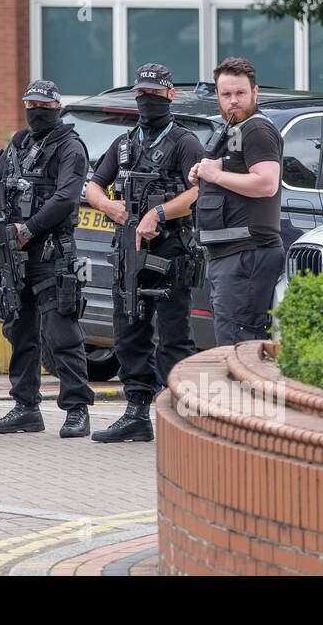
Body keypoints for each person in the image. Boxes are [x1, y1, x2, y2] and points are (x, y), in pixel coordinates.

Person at [85, 64, 205, 442]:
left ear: (171, 96)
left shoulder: (185, 142)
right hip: (128, 252)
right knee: (129, 332)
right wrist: (109, 207)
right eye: (141, 94)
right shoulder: (123, 143)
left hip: (170, 250)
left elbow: (198, 192)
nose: (146, 100)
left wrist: (158, 213)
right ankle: (136, 413)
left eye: (154, 94)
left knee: (174, 336)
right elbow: (92, 187)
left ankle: (180, 416)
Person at [0, 80, 94, 437]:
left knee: (61, 332)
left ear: (57, 108)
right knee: (18, 331)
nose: (35, 111)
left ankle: (77, 409)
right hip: (13, 254)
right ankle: (25, 407)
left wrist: (27, 230)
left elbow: (66, 199)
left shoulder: (70, 148)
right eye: (30, 104)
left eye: (42, 105)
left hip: (50, 254)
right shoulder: (17, 144)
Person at [188, 56, 285, 349]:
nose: (233, 101)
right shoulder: (234, 129)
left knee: (239, 345)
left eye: (240, 94)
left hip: (247, 254)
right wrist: (205, 176)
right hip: (232, 254)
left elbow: (266, 184)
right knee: (232, 340)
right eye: (226, 94)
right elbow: (232, 175)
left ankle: (243, 397)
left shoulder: (256, 130)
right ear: (217, 95)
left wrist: (215, 175)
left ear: (255, 93)